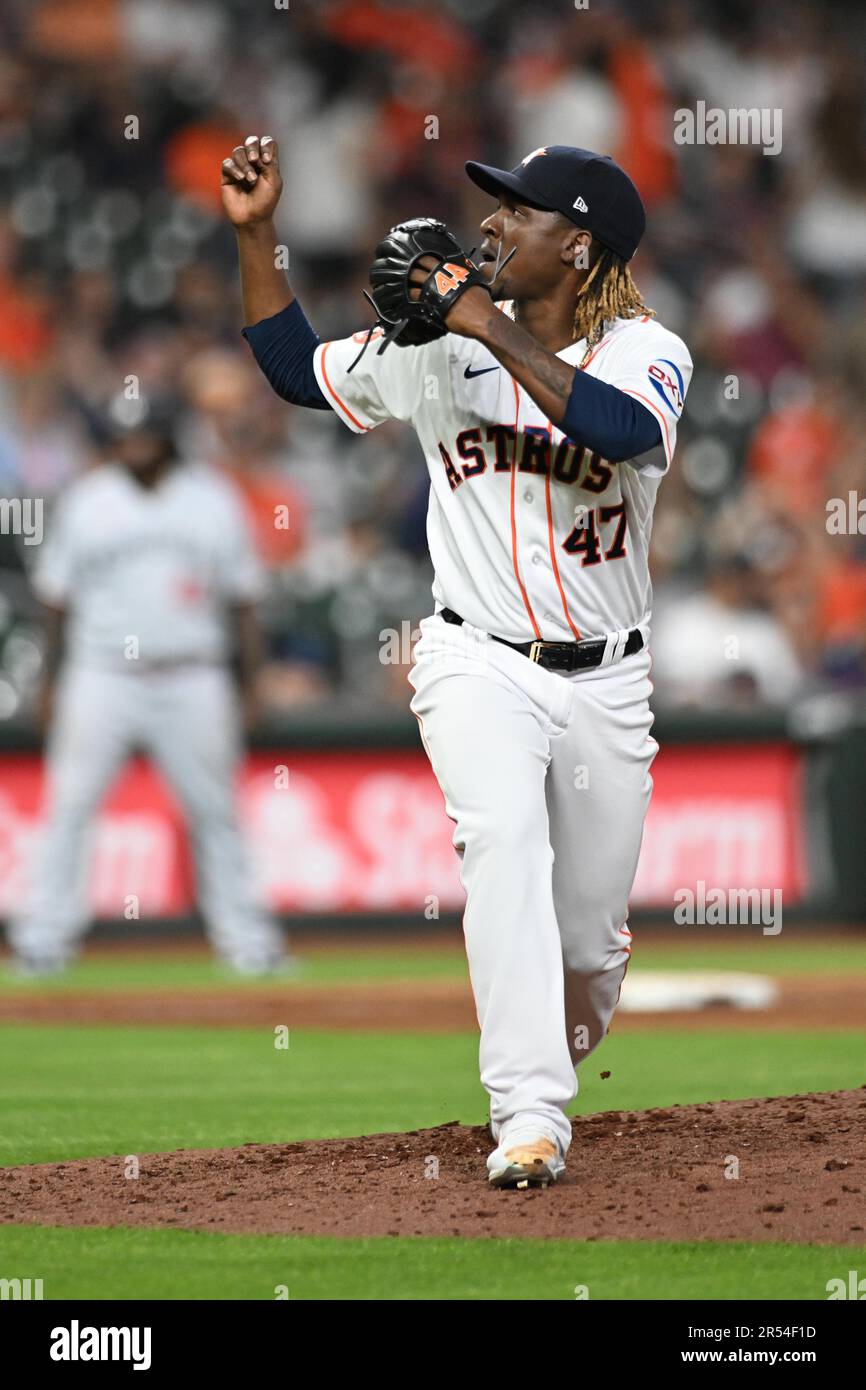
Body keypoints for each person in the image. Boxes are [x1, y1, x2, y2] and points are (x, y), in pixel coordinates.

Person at [222, 135, 692, 1187]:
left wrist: (474, 318)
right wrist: (257, 237)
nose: (485, 223)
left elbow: (612, 429)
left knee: (588, 951)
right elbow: (295, 370)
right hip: (474, 658)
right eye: (491, 205)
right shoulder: (436, 345)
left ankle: (551, 1049)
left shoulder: (647, 350)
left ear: (576, 245)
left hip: (607, 678)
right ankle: (528, 1113)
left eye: (515, 211)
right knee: (501, 847)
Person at [8, 400, 287, 977]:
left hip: (195, 671)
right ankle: (43, 940)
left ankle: (248, 944)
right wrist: (50, 682)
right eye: (125, 437)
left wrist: (250, 682)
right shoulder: (89, 499)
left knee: (217, 811)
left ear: (167, 438)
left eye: (144, 436)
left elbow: (244, 602)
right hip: (101, 672)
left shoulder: (211, 498)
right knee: (70, 806)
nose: (133, 446)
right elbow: (56, 602)